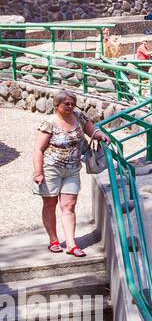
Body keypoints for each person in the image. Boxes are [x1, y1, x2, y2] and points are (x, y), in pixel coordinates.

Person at [33, 90, 109, 257]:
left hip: (73, 168)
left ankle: (71, 244)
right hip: (50, 169)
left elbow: (91, 130)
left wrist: (100, 135)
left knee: (69, 206)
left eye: (72, 103)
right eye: (66, 104)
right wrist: (38, 173)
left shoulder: (78, 116)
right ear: (56, 105)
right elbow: (38, 149)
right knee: (50, 204)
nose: (70, 106)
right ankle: (53, 240)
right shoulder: (49, 122)